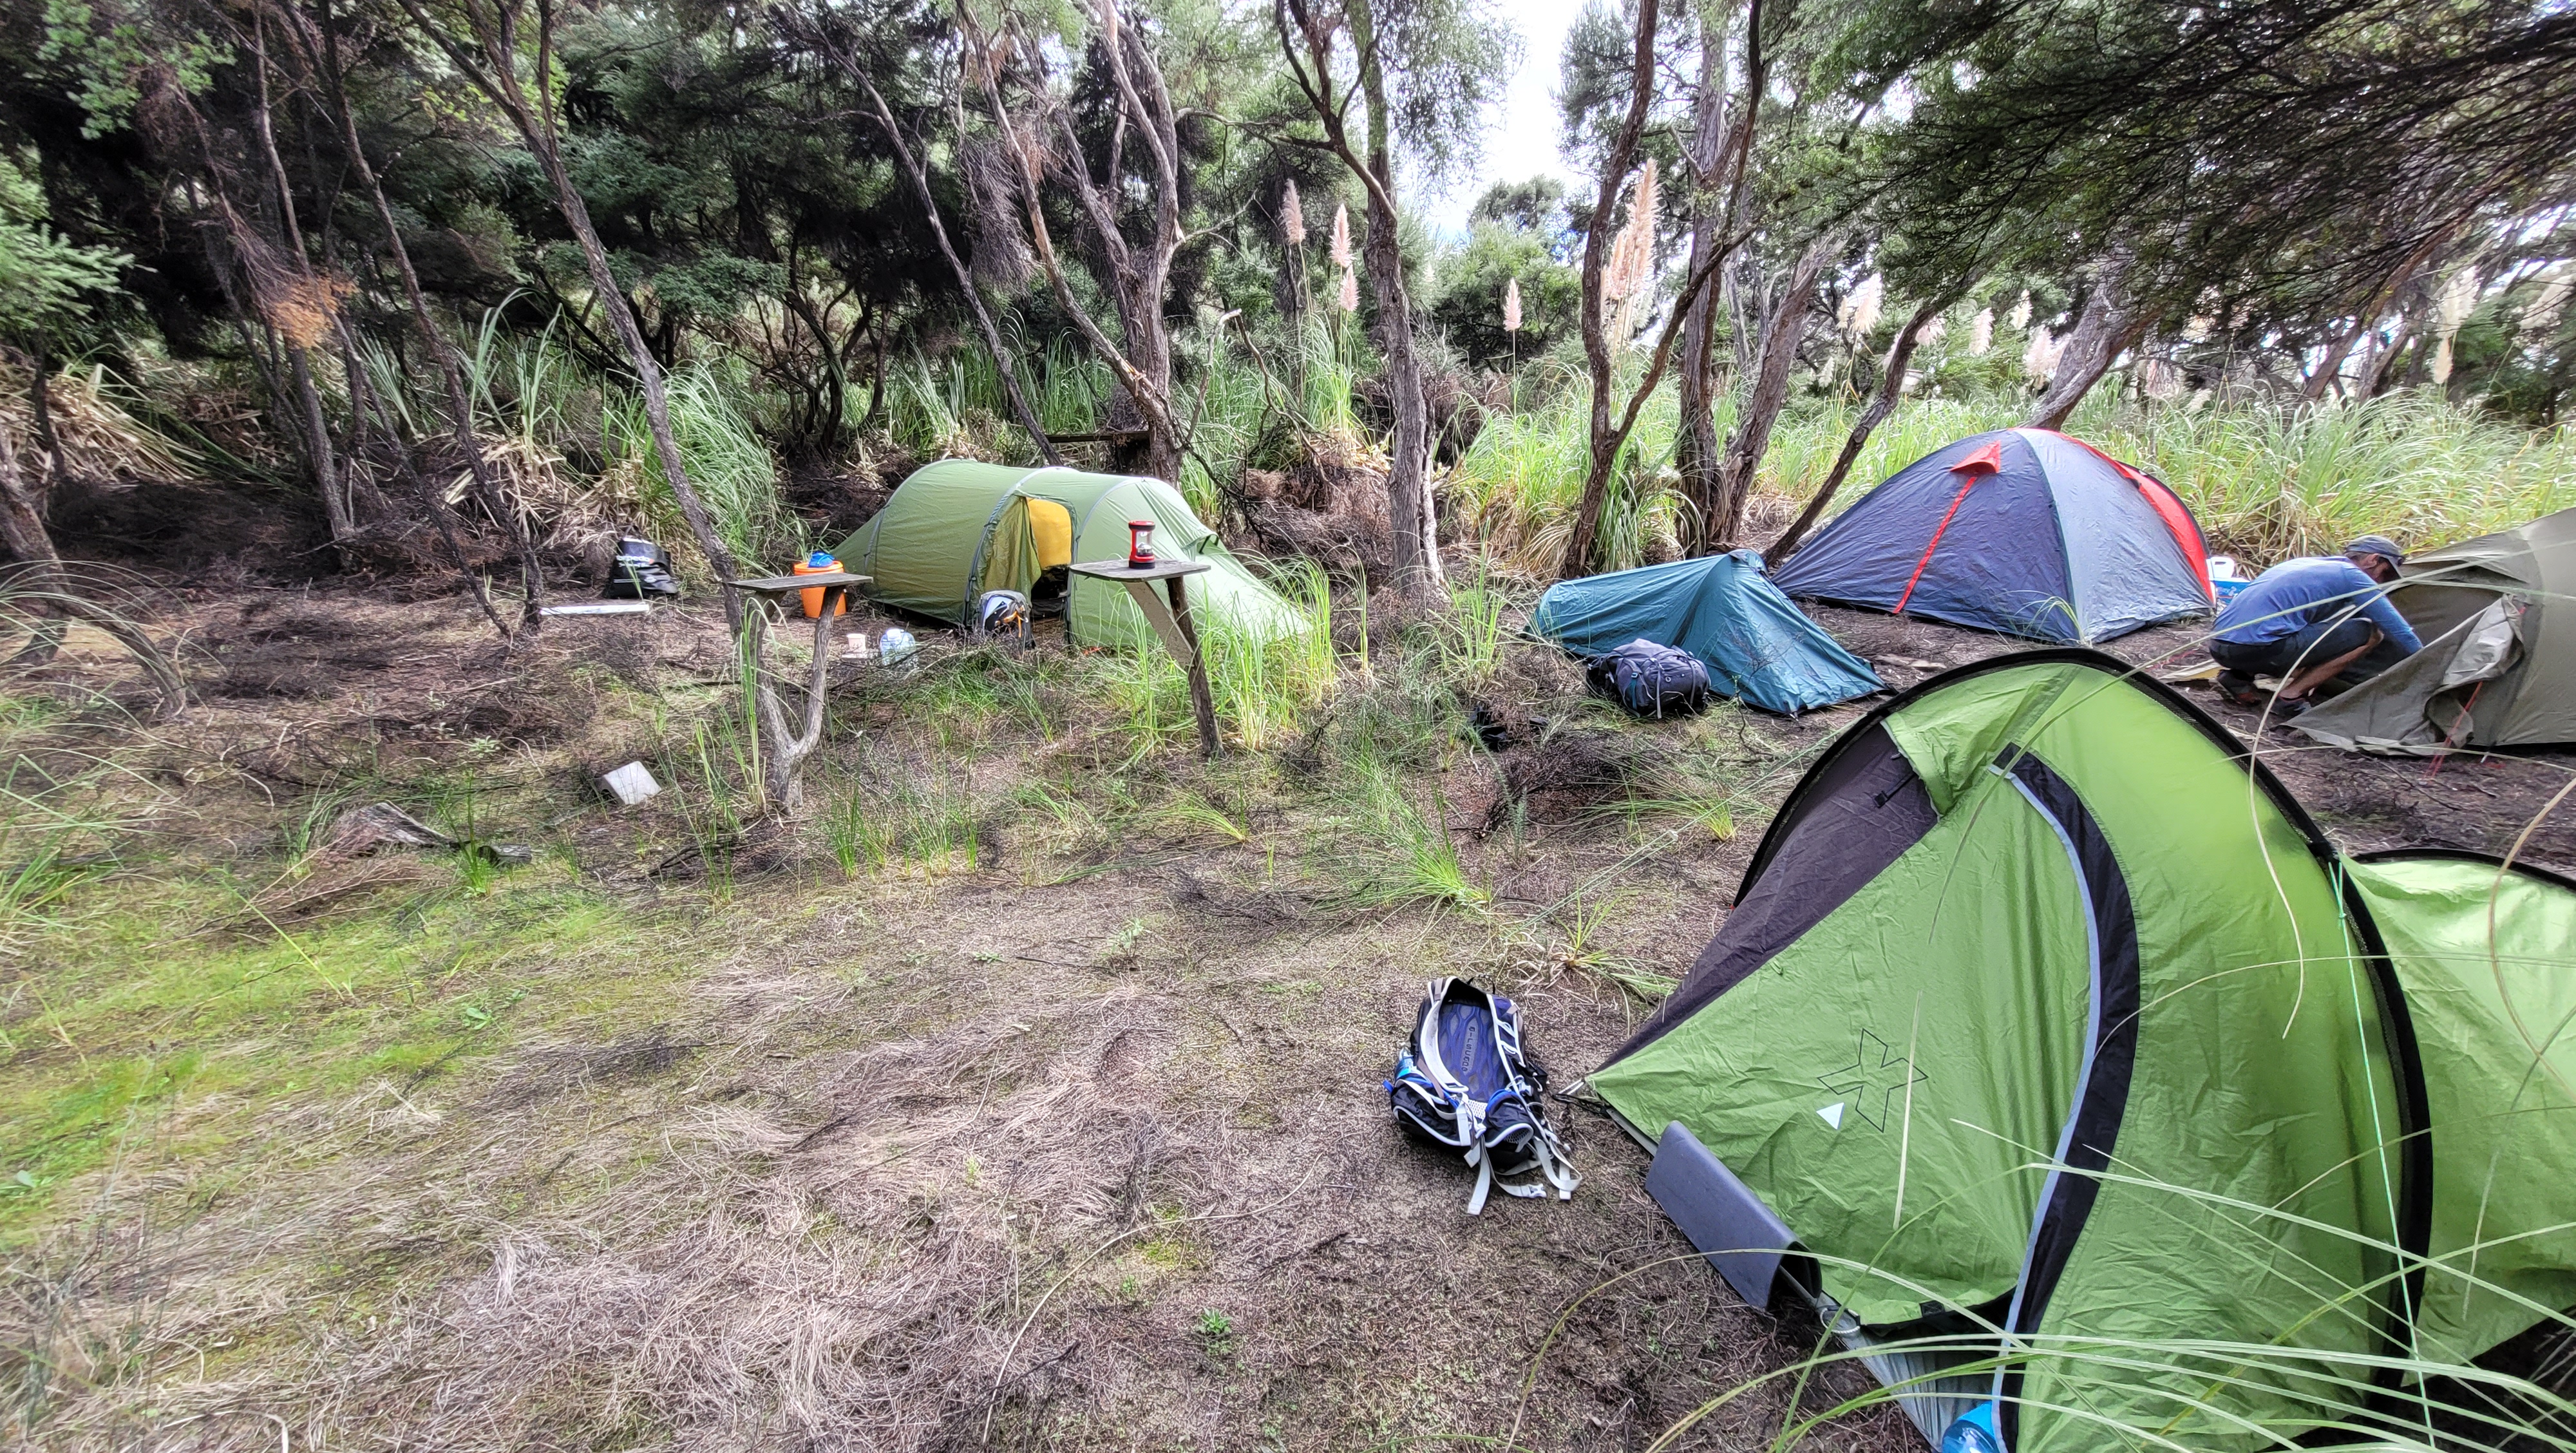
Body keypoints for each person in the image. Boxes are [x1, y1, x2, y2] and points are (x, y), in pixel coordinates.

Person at [2210, 535, 2421, 714]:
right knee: (2370, 633)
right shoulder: (2352, 576)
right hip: (2261, 650)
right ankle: (2290, 698)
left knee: (2291, 626)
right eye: (2385, 573)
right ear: (2373, 560)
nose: (2381, 581)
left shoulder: (2305, 563)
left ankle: (2238, 677)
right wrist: (2428, 659)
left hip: (2218, 645)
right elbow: (2398, 629)